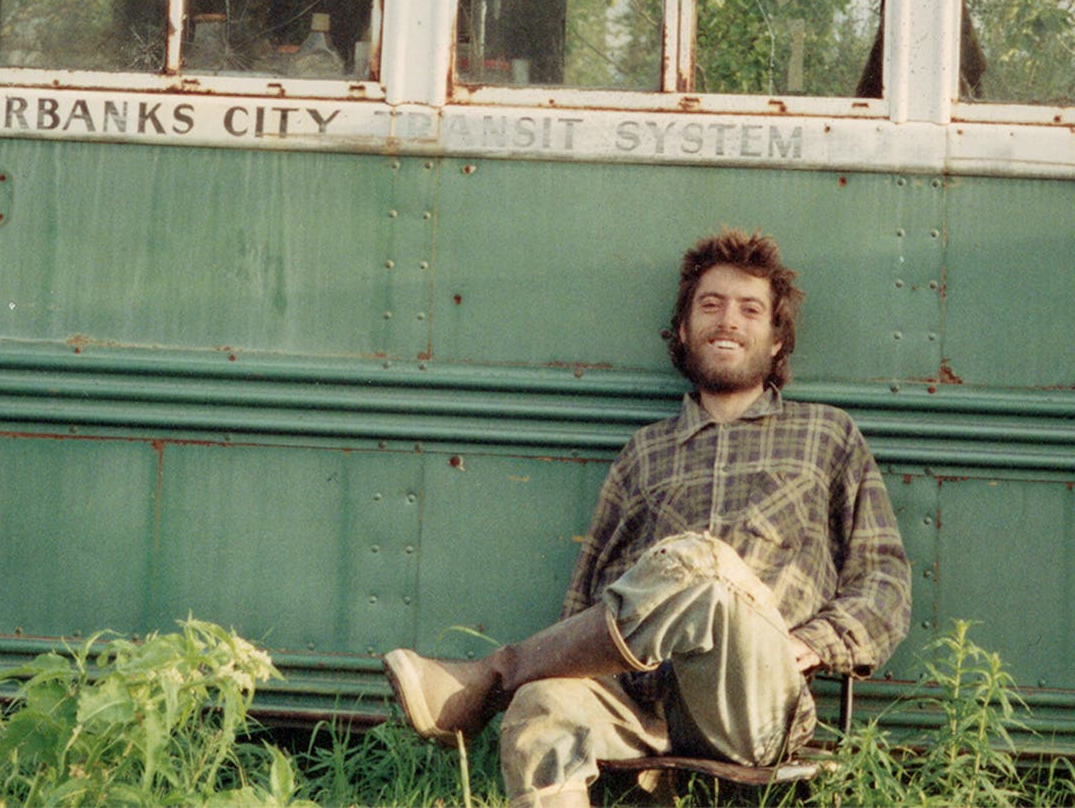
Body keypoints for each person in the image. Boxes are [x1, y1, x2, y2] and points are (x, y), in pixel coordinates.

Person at [381, 230, 911, 808]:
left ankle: (490, 677)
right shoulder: (645, 453)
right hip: (642, 703)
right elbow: (585, 605)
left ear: (778, 340)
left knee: (702, 559)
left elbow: (884, 583)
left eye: (750, 309)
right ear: (683, 330)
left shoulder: (827, 435)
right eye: (710, 305)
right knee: (542, 707)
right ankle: (515, 687)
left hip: (753, 699)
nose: (728, 320)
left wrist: (814, 643)